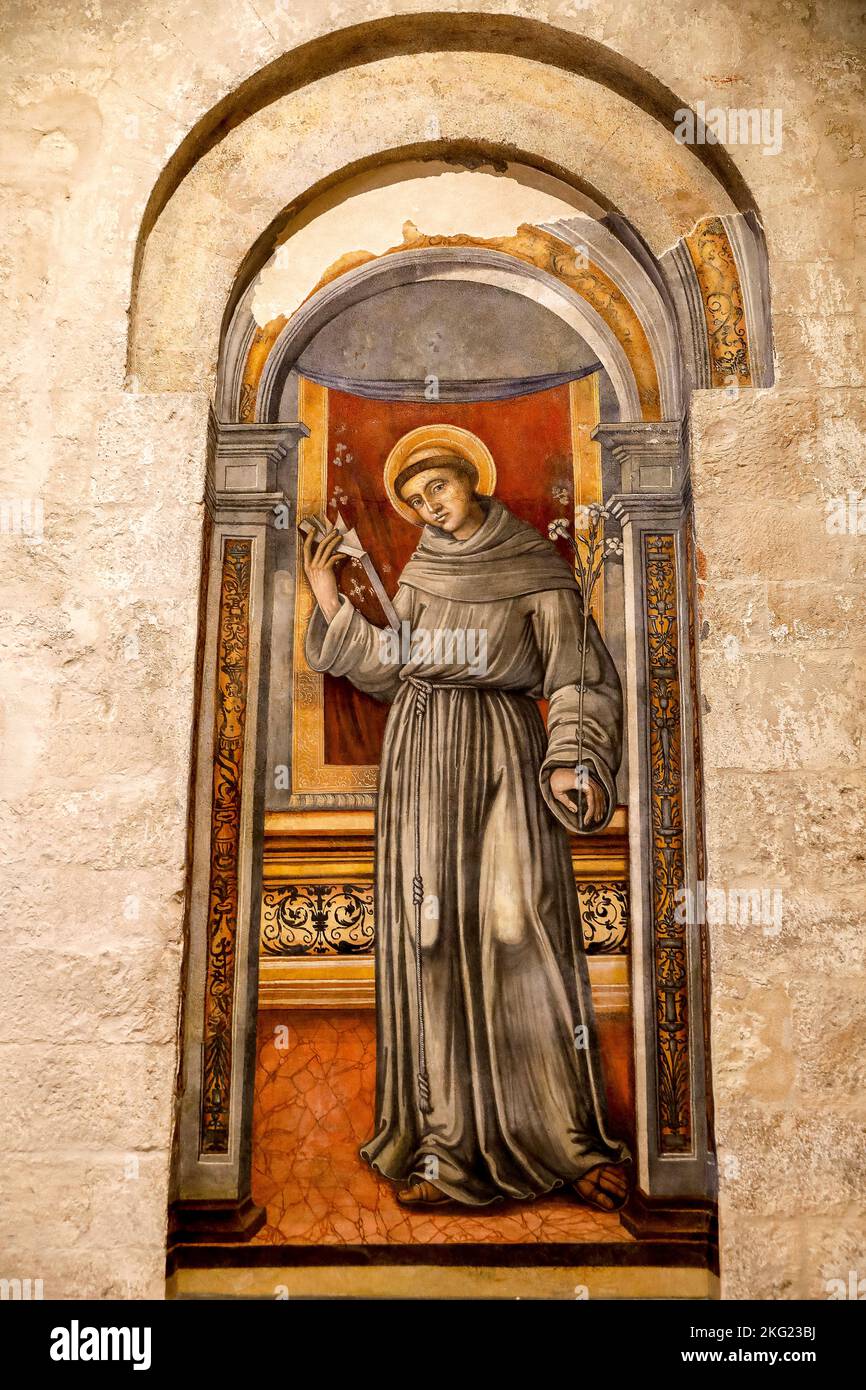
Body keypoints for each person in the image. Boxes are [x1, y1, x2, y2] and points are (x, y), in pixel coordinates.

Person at [303, 435, 630, 1211]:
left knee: (522, 932)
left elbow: (579, 675)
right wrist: (327, 594)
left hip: (502, 758)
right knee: (431, 935)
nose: (430, 507)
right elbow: (393, 667)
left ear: (473, 479)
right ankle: (444, 1143)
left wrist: (574, 757)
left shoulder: (536, 574)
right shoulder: (422, 569)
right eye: (415, 500)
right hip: (421, 761)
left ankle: (564, 1144)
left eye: (440, 488)